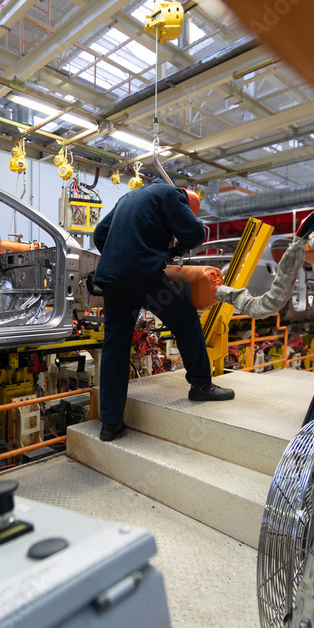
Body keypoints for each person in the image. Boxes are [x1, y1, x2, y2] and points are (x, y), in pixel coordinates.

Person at [93, 180, 234, 442]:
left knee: (115, 345)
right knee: (185, 320)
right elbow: (195, 235)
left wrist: (122, 257)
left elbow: (100, 233)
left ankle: (110, 424)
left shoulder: (129, 197)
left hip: (112, 277)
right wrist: (174, 246)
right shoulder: (171, 195)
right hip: (144, 276)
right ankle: (201, 385)